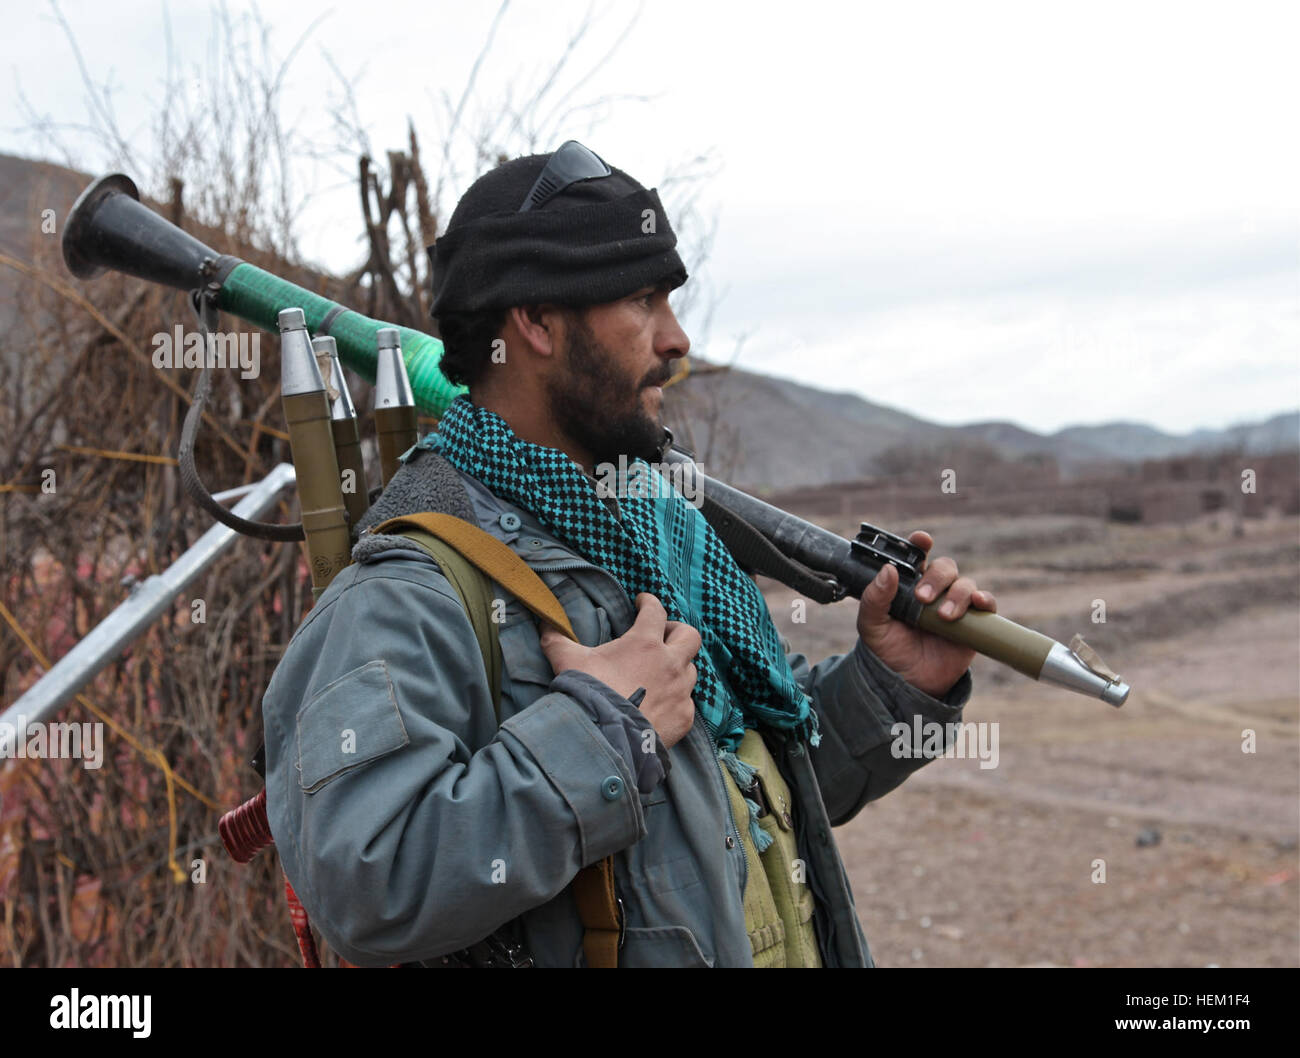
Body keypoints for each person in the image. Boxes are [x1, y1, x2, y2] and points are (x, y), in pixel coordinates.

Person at [261, 141, 997, 968]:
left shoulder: (663, 539)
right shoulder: (408, 595)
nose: (677, 340)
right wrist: (599, 734)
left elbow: (746, 806)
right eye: (643, 301)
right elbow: (365, 887)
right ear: (535, 322)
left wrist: (894, 685)